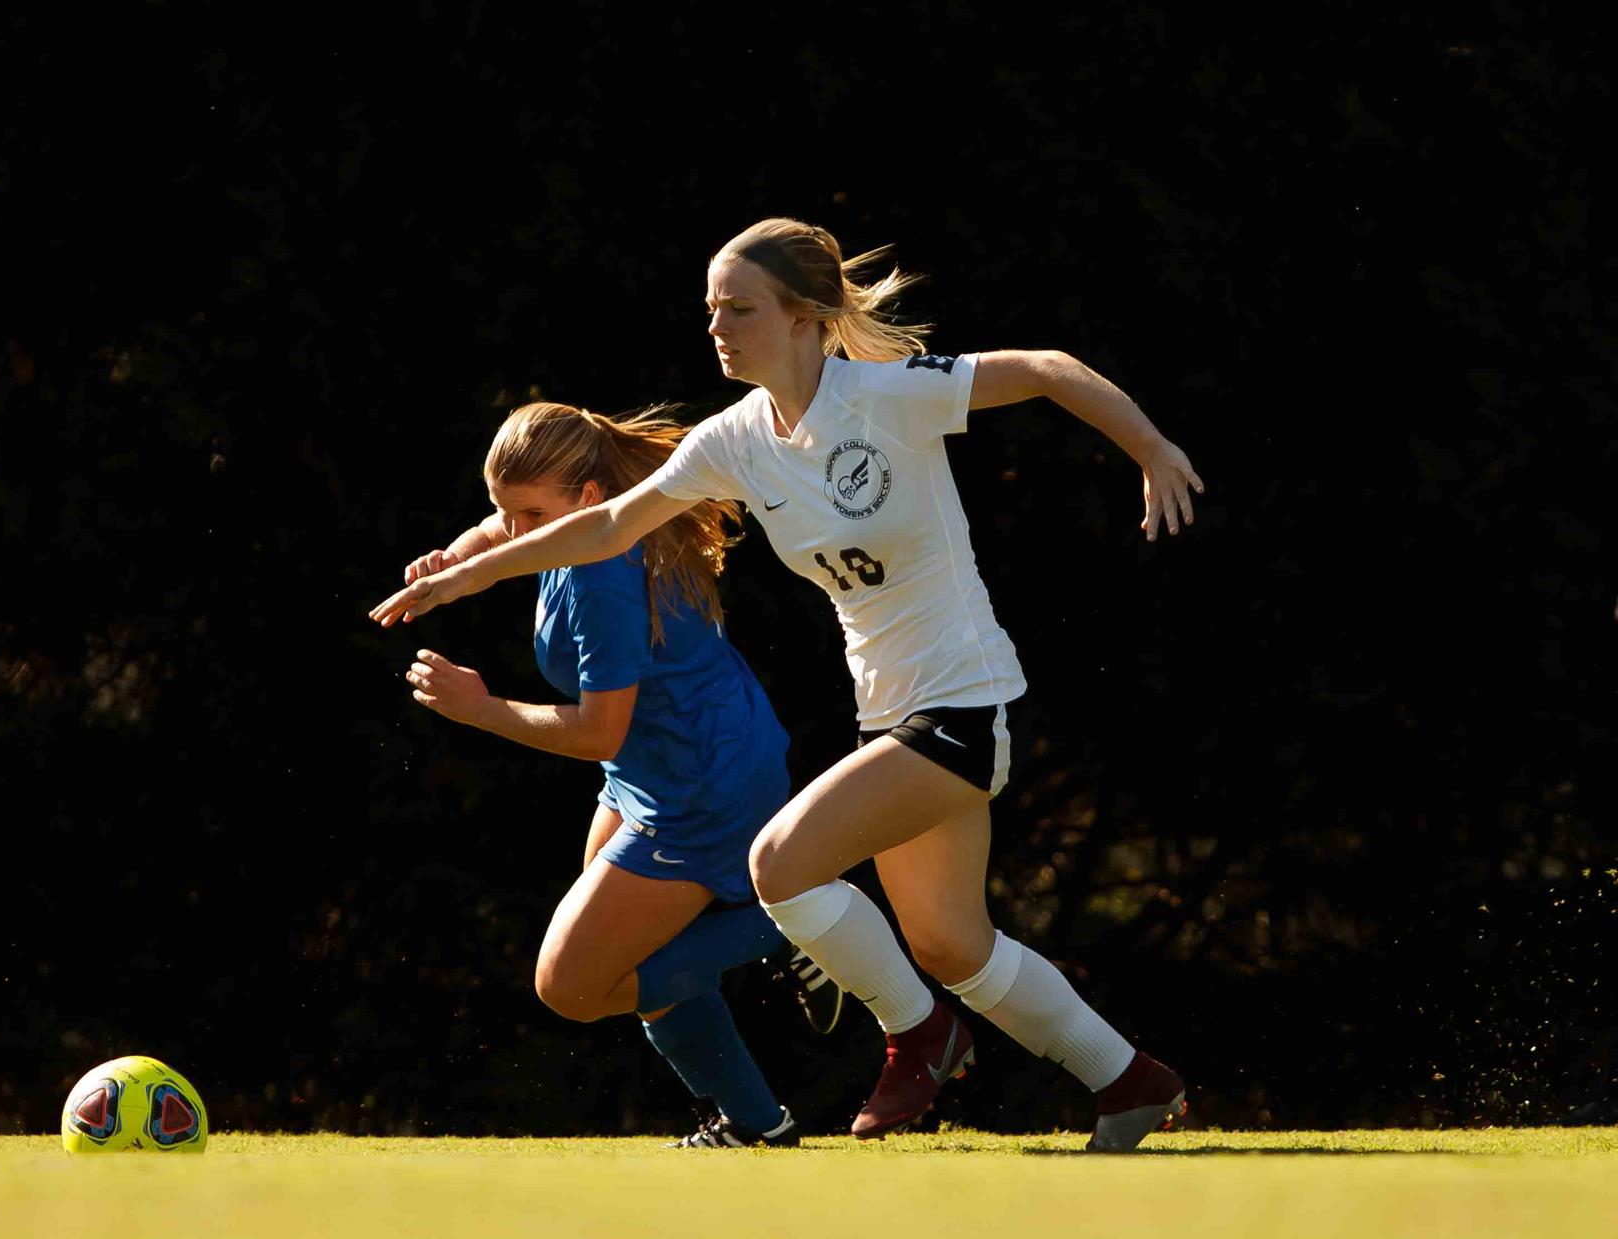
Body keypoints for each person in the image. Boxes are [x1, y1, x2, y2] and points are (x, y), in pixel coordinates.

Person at [374, 218, 1205, 1151]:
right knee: (948, 945)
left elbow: (1048, 366)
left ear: (807, 319)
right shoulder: (735, 438)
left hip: (963, 699)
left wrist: (1152, 448)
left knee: (782, 864)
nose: (719, 325)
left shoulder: (888, 397)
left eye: (741, 307)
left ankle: (919, 1034)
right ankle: (1133, 1080)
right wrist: (464, 571)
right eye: (711, 309)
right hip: (889, 711)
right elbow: (604, 524)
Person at [399, 401, 842, 1147]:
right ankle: (757, 1124)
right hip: (657, 772)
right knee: (635, 962)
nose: (510, 534)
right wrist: (452, 559)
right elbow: (495, 532)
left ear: (590, 501)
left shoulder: (601, 572)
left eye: (529, 515)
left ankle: (797, 920)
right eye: (501, 511)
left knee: (572, 985)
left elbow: (597, 728)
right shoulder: (567, 532)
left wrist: (479, 709)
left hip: (705, 786)